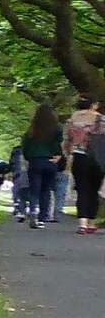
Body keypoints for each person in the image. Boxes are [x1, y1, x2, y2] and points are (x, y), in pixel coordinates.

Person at [22, 103, 66, 228]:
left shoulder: (32, 129)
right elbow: (58, 144)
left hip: (35, 161)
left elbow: (25, 146)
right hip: (50, 161)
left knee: (34, 189)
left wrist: (28, 157)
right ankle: (42, 218)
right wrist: (58, 155)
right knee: (45, 190)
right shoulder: (57, 129)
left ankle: (32, 211)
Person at [66, 95, 105, 234]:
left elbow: (68, 140)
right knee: (94, 190)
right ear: (92, 105)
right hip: (98, 158)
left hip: (80, 157)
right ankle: (92, 222)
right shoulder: (101, 119)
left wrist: (69, 153)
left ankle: (82, 224)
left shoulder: (73, 120)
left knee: (82, 189)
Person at [11, 141, 30, 220]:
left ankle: (20, 209)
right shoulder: (34, 149)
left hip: (18, 174)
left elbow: (11, 163)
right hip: (31, 173)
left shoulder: (15, 151)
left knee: (19, 191)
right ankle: (29, 209)